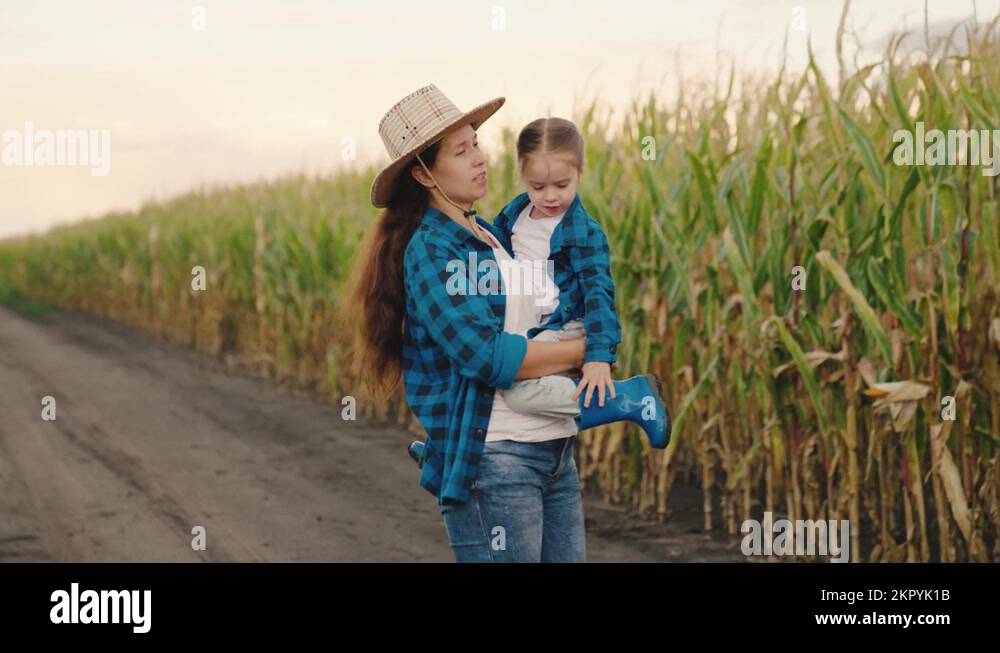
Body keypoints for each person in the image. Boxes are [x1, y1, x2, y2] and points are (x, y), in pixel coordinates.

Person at [343, 85, 666, 562]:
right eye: (461, 150)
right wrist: (585, 351)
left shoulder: (495, 232)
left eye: (476, 141)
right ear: (424, 173)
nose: (480, 156)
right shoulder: (433, 252)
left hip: (554, 454)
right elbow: (488, 357)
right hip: (496, 460)